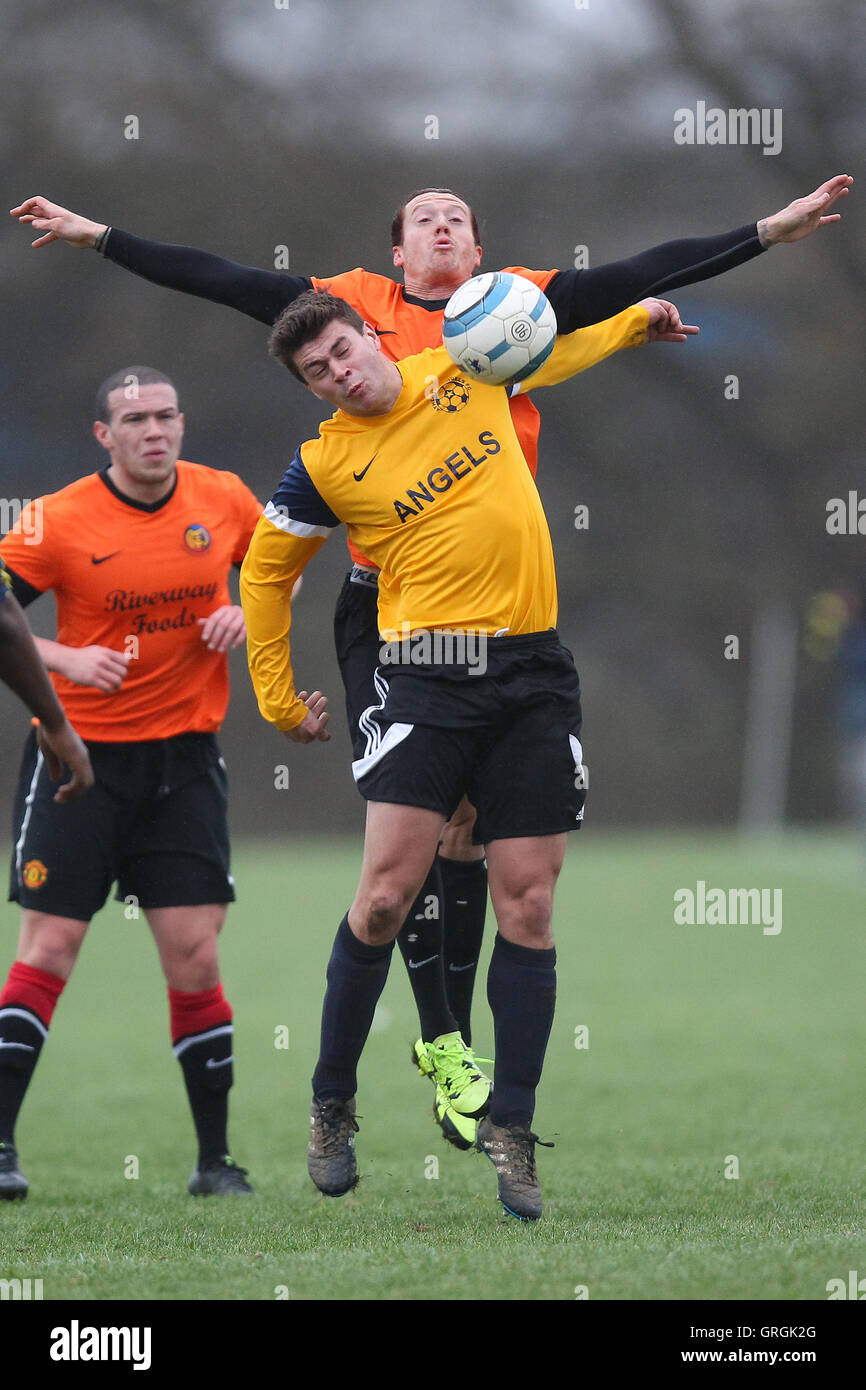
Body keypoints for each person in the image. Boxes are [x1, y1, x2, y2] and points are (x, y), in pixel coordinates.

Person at [9, 176, 852, 1138]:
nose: (443, 224)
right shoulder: (349, 313)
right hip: (387, 615)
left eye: (460, 217)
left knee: (474, 837)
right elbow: (223, 279)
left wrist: (764, 234)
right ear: (397, 257)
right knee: (407, 848)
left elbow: (626, 281)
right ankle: (445, 1041)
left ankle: (448, 1043)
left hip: (495, 612)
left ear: (481, 251)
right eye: (423, 218)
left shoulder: (507, 317)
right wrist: (99, 235)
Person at [239, 288, 697, 1220]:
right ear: (309, 387)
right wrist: (277, 698)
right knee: (380, 900)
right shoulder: (324, 465)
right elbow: (264, 573)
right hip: (425, 675)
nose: (339, 371)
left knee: (527, 901)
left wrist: (631, 323)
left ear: (369, 334)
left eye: (341, 349)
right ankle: (333, 1105)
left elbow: (552, 353)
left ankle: (515, 1133)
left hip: (533, 671)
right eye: (316, 371)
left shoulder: (467, 364)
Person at [0, 368, 263, 1200]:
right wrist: (66, 657)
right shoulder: (58, 519)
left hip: (184, 765)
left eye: (165, 416)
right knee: (49, 949)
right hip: (79, 761)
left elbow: (276, 573)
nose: (154, 431)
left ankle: (215, 1164)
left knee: (194, 955)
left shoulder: (224, 499)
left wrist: (248, 612)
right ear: (103, 436)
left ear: (182, 424)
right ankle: (1, 1151)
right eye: (134, 419)